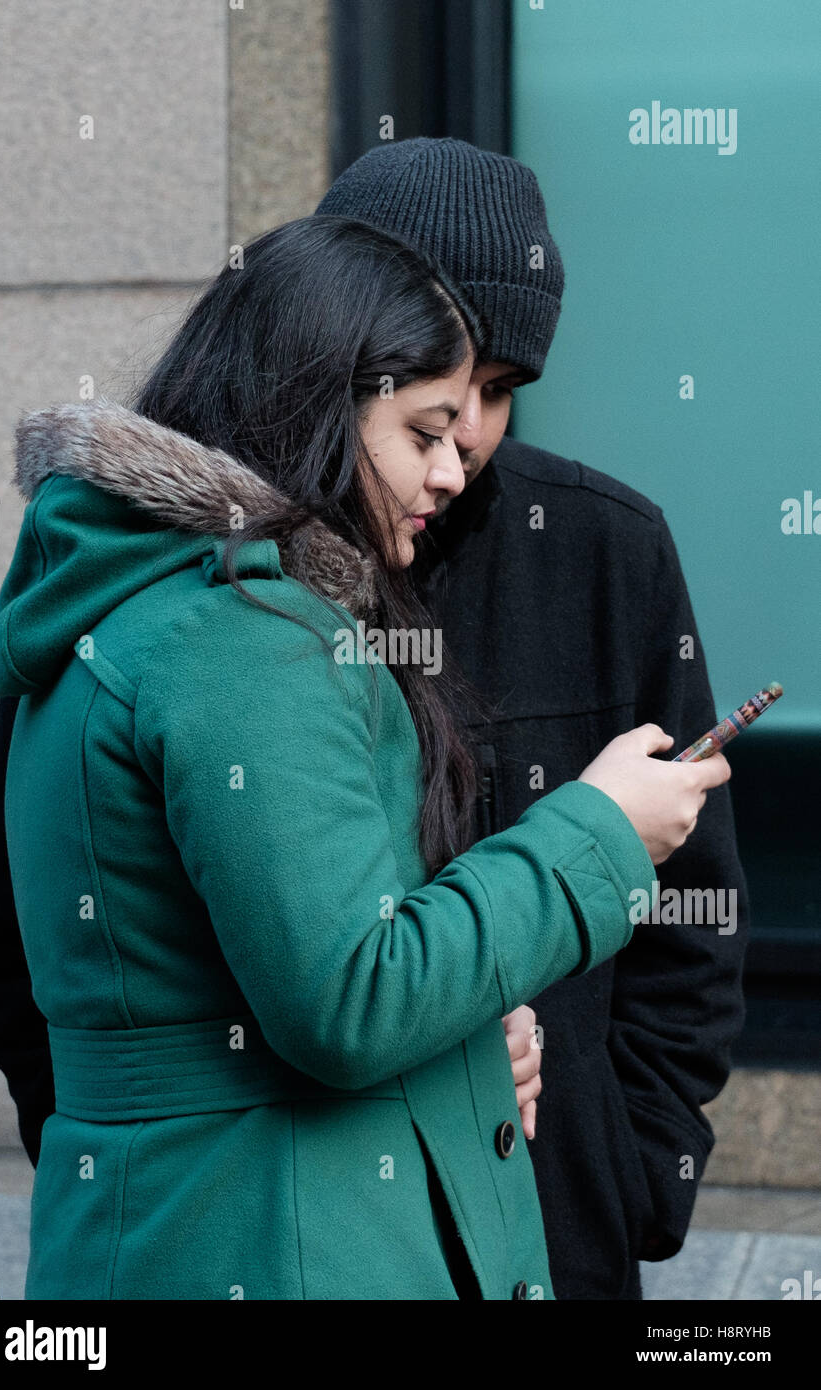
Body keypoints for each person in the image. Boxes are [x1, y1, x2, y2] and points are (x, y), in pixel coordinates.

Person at [0, 215, 727, 1300]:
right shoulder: (241, 635)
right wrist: (599, 829)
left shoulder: (141, 601)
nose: (451, 467)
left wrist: (460, 1062)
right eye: (422, 430)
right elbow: (352, 997)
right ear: (325, 401)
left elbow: (274, 969)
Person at [316, 138, 751, 1299]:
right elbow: (46, 944)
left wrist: (627, 1168)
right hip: (302, 1242)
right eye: (435, 398)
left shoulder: (607, 550)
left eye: (500, 392)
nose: (465, 440)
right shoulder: (209, 591)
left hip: (557, 1249)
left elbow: (693, 915)